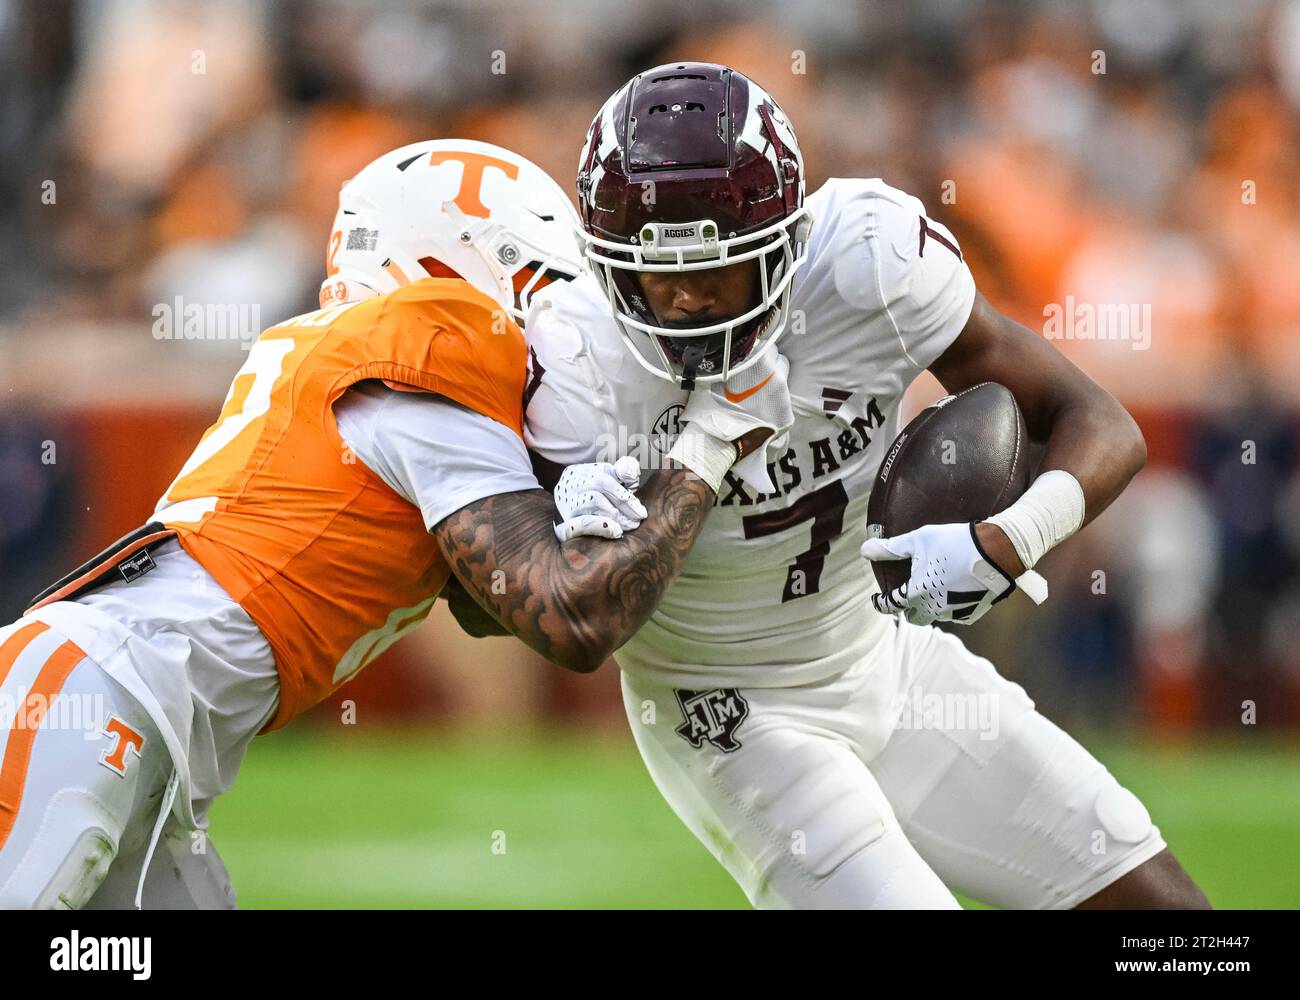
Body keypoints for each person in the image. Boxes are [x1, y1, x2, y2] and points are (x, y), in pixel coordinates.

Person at [0, 139, 785, 909]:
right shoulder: (437, 332)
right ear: (473, 259)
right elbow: (570, 616)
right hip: (95, 700)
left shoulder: (373, 353)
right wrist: (707, 447)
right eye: (542, 277)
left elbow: (485, 607)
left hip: (142, 729)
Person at [520, 63, 1211, 908]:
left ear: (785, 245)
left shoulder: (869, 263)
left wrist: (1008, 540)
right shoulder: (575, 356)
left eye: (722, 269)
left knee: (1169, 916)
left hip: (885, 657)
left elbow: (1097, 421)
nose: (692, 302)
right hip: (727, 712)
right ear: (607, 266)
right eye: (658, 276)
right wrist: (666, 472)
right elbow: (564, 624)